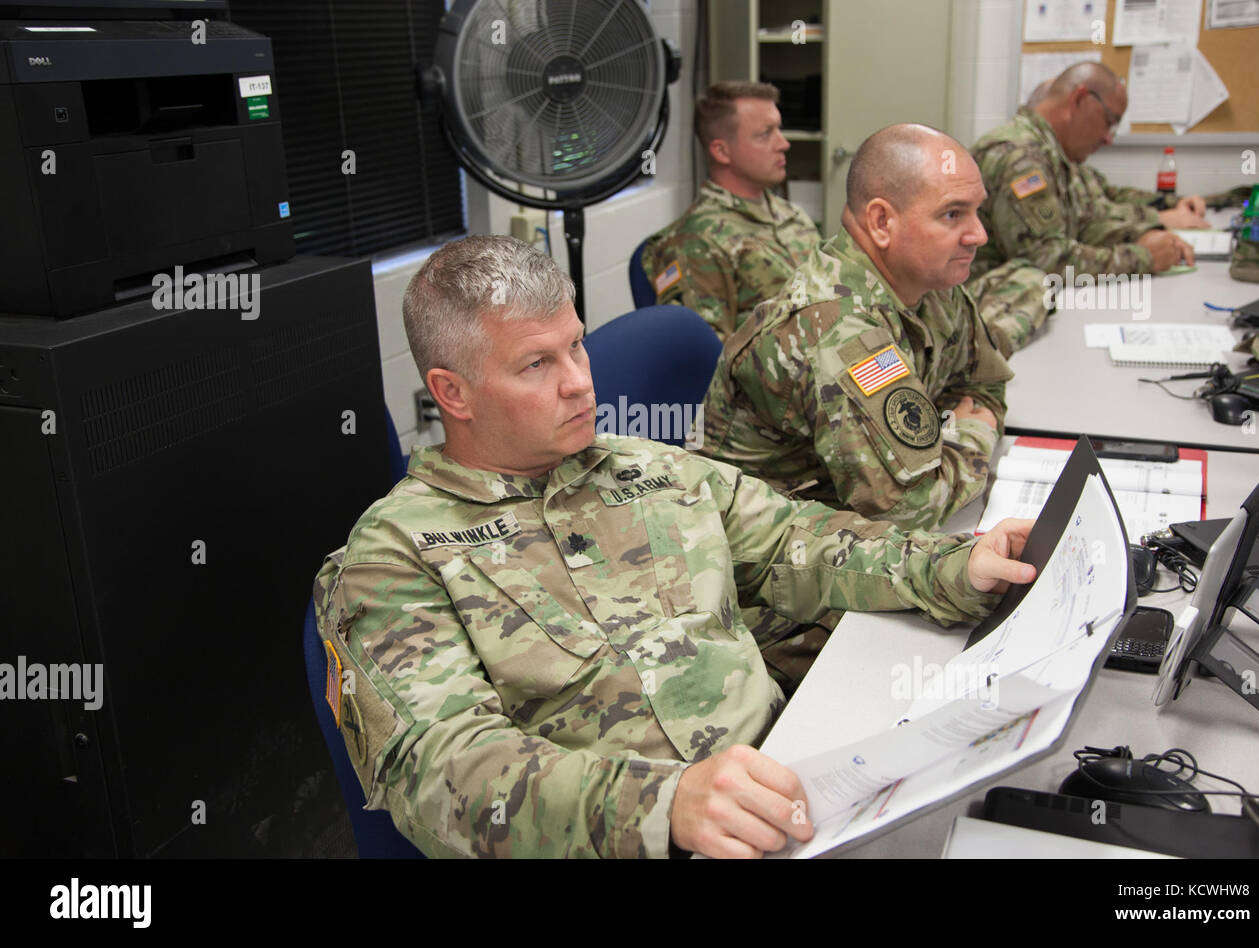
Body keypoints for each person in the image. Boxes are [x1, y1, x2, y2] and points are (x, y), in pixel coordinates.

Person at [312, 234, 1036, 859]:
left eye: (577, 346)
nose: (579, 383)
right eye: (537, 365)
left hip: (792, 790)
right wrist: (665, 806)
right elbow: (441, 774)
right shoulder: (395, 557)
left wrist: (954, 565)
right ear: (454, 393)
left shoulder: (646, 469)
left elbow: (798, 540)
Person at [699, 124, 1014, 532]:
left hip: (849, 529)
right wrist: (972, 435)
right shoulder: (838, 330)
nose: (979, 235)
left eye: (977, 210)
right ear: (882, 222)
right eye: (953, 214)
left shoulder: (932, 283)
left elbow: (986, 383)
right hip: (779, 547)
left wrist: (944, 451)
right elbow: (908, 510)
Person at [971, 62, 1202, 287]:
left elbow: (1086, 222)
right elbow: (1046, 262)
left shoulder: (1052, 154)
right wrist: (1143, 257)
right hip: (991, 311)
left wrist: (1142, 233)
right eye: (1109, 121)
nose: (1108, 138)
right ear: (1080, 100)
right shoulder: (1021, 157)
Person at [640, 81, 821, 339]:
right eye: (765, 134)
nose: (783, 143)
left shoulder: (791, 214)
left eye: (779, 129)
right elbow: (709, 358)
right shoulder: (696, 240)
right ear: (722, 151)